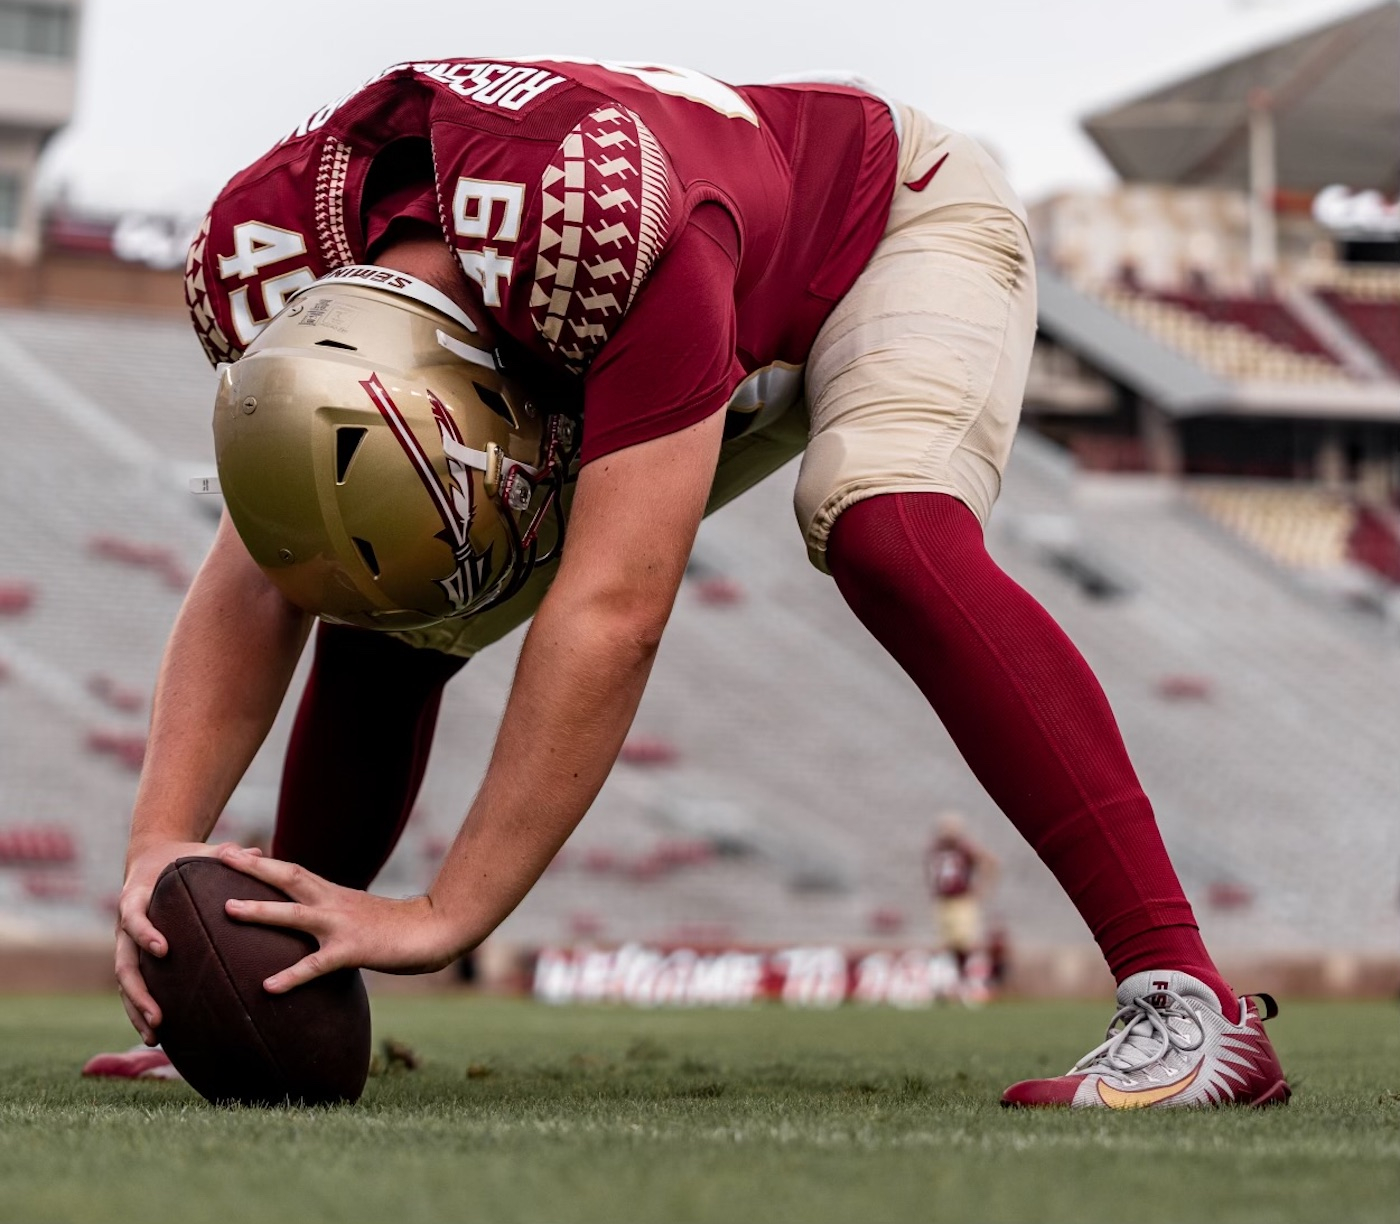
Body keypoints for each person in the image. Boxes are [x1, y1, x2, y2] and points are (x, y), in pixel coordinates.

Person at [100, 57, 1287, 1109]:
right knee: (393, 604)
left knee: (886, 529)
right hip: (650, 295)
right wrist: (162, 845)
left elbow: (613, 612)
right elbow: (266, 574)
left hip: (879, 231)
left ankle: (1185, 999)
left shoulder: (609, 248)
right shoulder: (295, 274)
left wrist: (444, 913)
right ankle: (282, 972)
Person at [925, 813, 998, 977]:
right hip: (943, 900)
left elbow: (990, 861)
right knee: (946, 942)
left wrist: (983, 886)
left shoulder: (965, 847)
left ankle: (970, 977)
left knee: (964, 941)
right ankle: (951, 977)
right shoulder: (936, 847)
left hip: (962, 899)